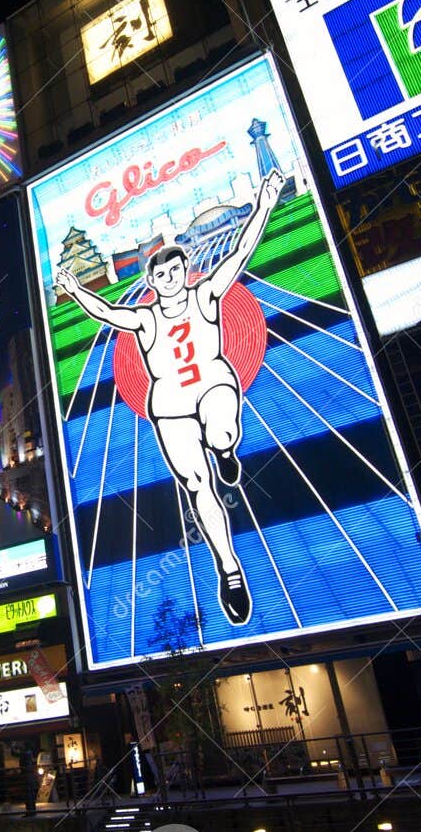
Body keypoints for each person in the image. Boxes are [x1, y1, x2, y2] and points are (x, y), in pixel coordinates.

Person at [55, 166, 285, 626]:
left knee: (221, 426)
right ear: (153, 280)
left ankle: (224, 449)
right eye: (160, 272)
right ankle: (229, 568)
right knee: (199, 487)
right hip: (171, 407)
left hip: (213, 384)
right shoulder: (145, 320)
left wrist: (263, 203)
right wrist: (75, 289)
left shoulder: (207, 295)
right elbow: (105, 311)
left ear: (183, 271)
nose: (169, 276)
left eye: (175, 268)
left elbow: (240, 251)